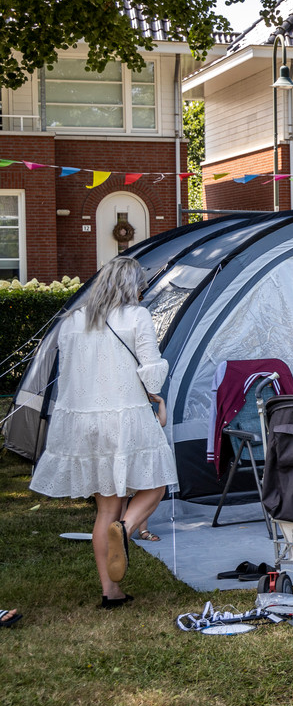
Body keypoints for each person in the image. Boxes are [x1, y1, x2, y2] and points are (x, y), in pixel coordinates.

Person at [29, 256, 178, 609]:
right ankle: (124, 534)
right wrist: (155, 385)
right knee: (156, 483)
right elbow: (152, 373)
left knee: (105, 508)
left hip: (82, 421)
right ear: (132, 286)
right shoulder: (136, 316)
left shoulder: (73, 320)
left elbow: (67, 376)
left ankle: (111, 593)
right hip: (125, 416)